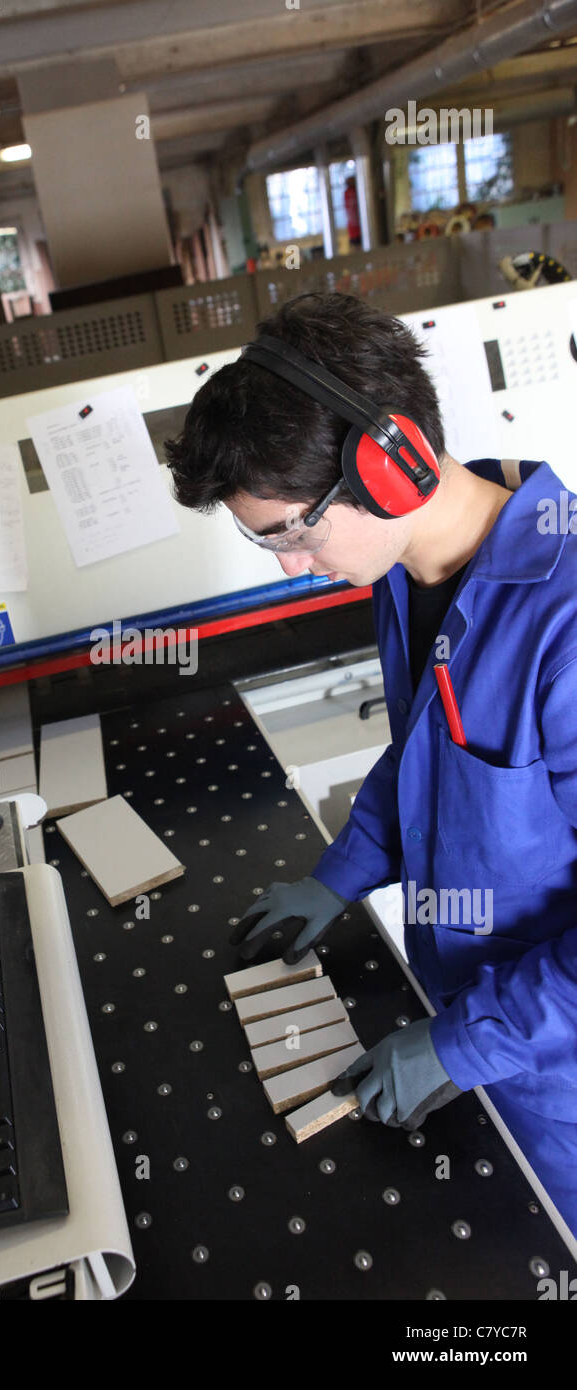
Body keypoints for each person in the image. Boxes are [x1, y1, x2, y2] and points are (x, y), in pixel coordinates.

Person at [164, 291, 577, 1236]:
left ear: (393, 469)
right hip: (467, 1013)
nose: (286, 565)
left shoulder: (566, 620)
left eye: (292, 532)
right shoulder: (410, 573)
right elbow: (434, 762)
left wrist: (465, 1045)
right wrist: (341, 873)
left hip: (558, 1077)